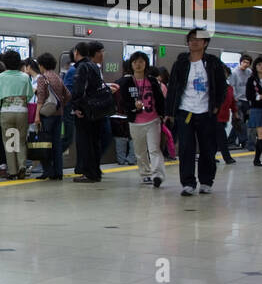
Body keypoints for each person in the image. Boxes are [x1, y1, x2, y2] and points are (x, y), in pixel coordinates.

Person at [165, 28, 227, 197]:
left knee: (207, 148)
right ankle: (188, 183)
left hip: (206, 112)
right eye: (191, 39)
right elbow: (173, 88)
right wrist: (170, 111)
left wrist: (216, 106)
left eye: (198, 39)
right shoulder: (181, 63)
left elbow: (222, 87)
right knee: (186, 148)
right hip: (185, 111)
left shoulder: (213, 63)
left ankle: (206, 181)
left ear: (205, 43)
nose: (194, 42)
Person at [116, 51, 165, 188]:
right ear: (131, 64)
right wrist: (133, 106)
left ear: (146, 64)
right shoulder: (126, 82)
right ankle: (145, 174)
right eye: (135, 62)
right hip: (136, 121)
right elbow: (123, 102)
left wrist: (163, 114)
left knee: (154, 149)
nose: (138, 64)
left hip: (153, 120)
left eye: (141, 62)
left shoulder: (152, 81)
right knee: (140, 150)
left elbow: (160, 99)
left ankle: (158, 175)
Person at [69, 40, 109, 183]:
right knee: (94, 142)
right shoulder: (95, 66)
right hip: (96, 111)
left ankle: (88, 173)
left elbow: (79, 90)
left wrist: (76, 107)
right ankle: (95, 171)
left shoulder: (82, 67)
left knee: (85, 142)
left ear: (76, 52)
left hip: (85, 111)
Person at [0, 49, 31, 179]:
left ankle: (13, 171)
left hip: (6, 111)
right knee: (20, 141)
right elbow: (30, 95)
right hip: (22, 111)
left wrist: (5, 104)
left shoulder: (2, 76)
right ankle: (22, 166)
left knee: (9, 142)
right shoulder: (25, 76)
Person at [33, 53, 68, 181]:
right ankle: (58, 172)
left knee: (44, 143)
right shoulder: (58, 77)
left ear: (41, 65)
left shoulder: (43, 78)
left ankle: (48, 171)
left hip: (46, 115)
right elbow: (67, 95)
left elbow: (41, 98)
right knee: (57, 144)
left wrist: (37, 115)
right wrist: (60, 106)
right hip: (58, 115)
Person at [214, 66, 237, 166]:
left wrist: (235, 113)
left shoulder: (229, 88)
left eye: (226, 73)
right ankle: (227, 157)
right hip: (214, 116)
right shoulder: (214, 87)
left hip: (224, 116)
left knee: (214, 138)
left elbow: (232, 102)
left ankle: (210, 156)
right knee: (222, 137)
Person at [231, 54, 252, 149]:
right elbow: (232, 86)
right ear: (241, 62)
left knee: (240, 121)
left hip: (247, 100)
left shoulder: (249, 72)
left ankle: (230, 140)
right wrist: (234, 99)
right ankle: (244, 141)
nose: (246, 64)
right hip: (238, 100)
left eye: (248, 63)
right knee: (240, 121)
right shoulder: (234, 72)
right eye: (244, 62)